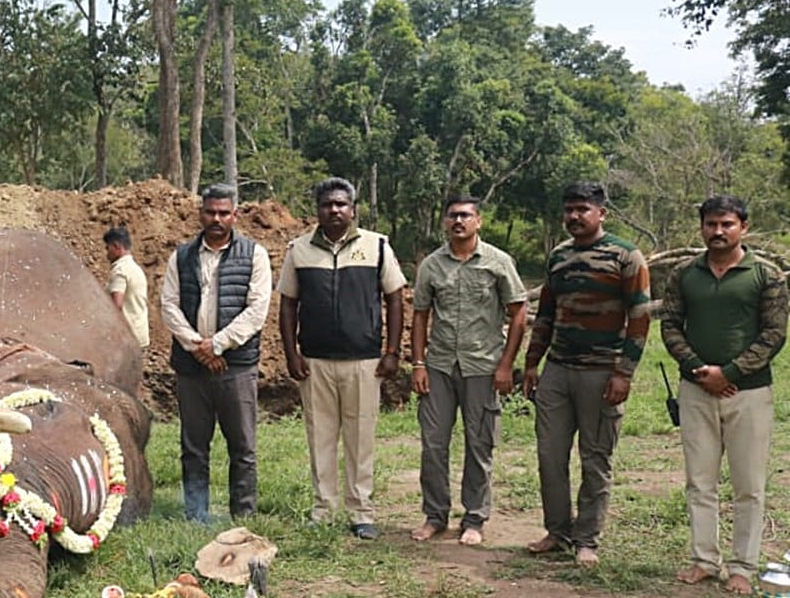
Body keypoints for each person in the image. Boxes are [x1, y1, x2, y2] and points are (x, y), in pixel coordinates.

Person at [660, 195, 787, 594]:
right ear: (702, 227)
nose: (718, 232)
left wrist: (729, 373)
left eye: (727, 224)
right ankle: (703, 560)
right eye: (711, 224)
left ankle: (742, 567)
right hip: (695, 390)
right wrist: (698, 369)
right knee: (700, 481)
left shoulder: (766, 276)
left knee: (749, 484)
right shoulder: (684, 273)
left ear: (743, 227)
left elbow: (774, 334)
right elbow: (670, 325)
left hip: (749, 393)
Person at [522, 182, 651, 569]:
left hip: (602, 372)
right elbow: (545, 315)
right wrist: (532, 364)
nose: (575, 217)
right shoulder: (558, 256)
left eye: (583, 209)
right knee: (550, 456)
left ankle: (587, 539)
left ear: (601, 213)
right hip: (558, 371)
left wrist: (623, 372)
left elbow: (640, 318)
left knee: (596, 458)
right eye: (569, 210)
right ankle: (557, 531)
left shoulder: (625, 256)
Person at [278, 177, 406, 540]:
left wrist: (393, 352)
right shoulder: (298, 250)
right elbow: (288, 304)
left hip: (364, 362)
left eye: (341, 204)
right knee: (319, 437)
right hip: (315, 362)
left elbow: (395, 298)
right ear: (317, 210)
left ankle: (361, 512)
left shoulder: (377, 246)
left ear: (353, 209)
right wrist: (292, 353)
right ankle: (323, 510)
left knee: (360, 437)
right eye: (327, 205)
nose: (334, 210)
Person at [408, 197, 528, 546]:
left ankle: (474, 518)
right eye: (453, 216)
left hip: (483, 367)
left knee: (479, 445)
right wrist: (418, 364)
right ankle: (435, 516)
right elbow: (420, 315)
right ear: (446, 222)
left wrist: (506, 364)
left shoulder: (497, 262)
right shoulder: (432, 265)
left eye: (466, 215)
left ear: (479, 221)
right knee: (433, 445)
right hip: (440, 366)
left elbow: (518, 312)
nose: (459, 221)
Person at [160, 184, 270, 523]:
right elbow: (168, 305)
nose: (217, 219)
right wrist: (198, 347)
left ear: (235, 215)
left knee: (243, 448)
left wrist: (218, 344)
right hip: (192, 369)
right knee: (194, 447)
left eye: (224, 213)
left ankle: (244, 516)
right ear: (201, 213)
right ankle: (196, 514)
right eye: (211, 212)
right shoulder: (181, 256)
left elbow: (257, 309)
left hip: (235, 367)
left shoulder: (254, 255)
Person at [103, 227, 150, 352]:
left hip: (126, 339)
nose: (106, 253)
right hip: (139, 335)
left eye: (108, 248)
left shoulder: (120, 270)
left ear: (117, 246)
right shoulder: (135, 269)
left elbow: (116, 305)